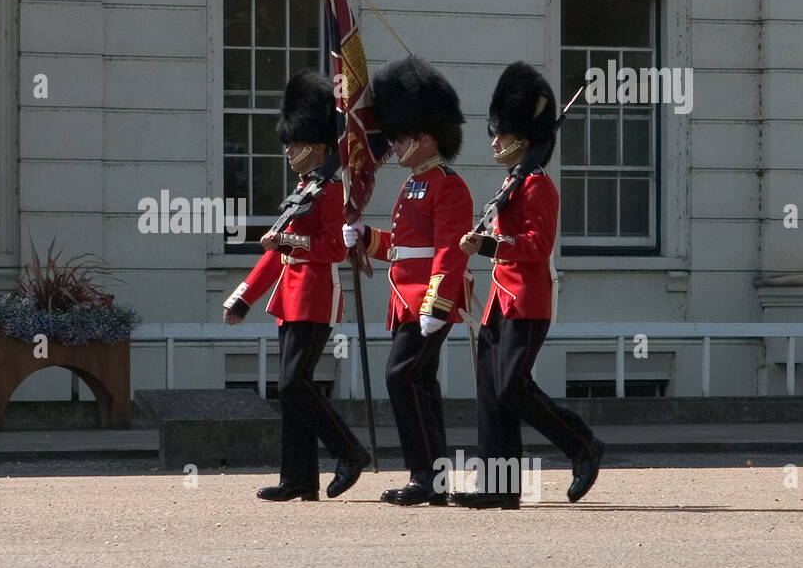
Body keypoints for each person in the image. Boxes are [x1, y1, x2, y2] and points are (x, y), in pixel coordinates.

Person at [452, 61, 606, 509]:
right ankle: (497, 487)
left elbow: (536, 247)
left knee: (511, 387)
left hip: (527, 299)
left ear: (524, 138)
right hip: (499, 300)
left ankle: (581, 443)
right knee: (490, 391)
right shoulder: (513, 183)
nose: (495, 141)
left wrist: (487, 245)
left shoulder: (538, 186)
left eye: (502, 135)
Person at [223, 69, 372, 502]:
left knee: (294, 384)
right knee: (289, 390)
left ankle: (349, 450)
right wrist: (245, 296)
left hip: (316, 295)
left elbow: (332, 249)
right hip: (290, 298)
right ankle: (299, 478)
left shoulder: (328, 192)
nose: (288, 148)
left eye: (295, 141)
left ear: (318, 144)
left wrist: (288, 239)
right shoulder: (302, 189)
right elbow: (275, 255)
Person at [342, 55, 471, 507]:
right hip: (405, 298)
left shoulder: (447, 185)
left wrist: (437, 303)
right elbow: (401, 244)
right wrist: (365, 237)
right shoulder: (414, 183)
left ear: (426, 136)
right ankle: (432, 479)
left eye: (401, 137)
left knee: (401, 377)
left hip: (427, 300)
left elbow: (449, 249)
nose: (394, 145)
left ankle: (424, 475)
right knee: (420, 384)